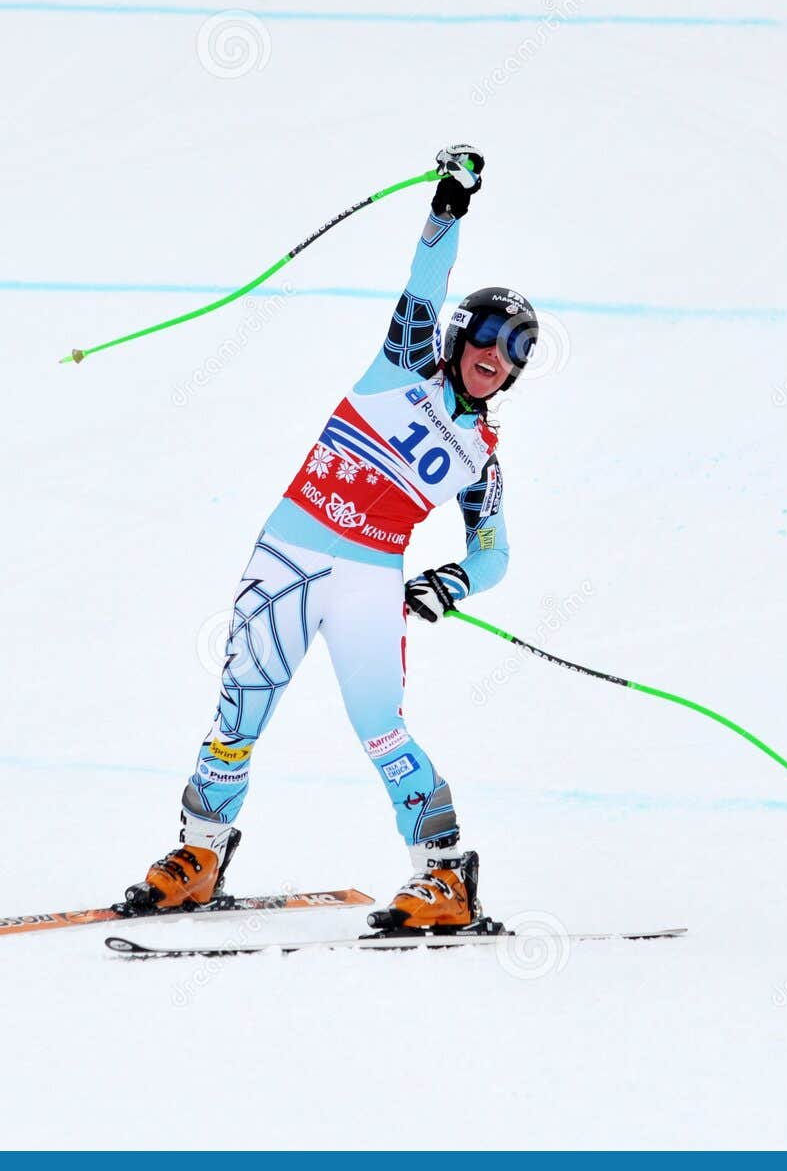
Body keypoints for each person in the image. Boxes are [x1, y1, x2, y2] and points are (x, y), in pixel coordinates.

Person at [124, 143, 541, 931]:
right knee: (239, 711)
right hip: (289, 553)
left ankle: (444, 875)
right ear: (459, 335)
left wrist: (452, 580)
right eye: (489, 333)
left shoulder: (481, 456)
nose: (496, 354)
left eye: (517, 347)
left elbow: (495, 552)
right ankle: (200, 853)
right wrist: (449, 204)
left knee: (381, 727)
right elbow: (426, 279)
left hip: (369, 582)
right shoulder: (406, 362)